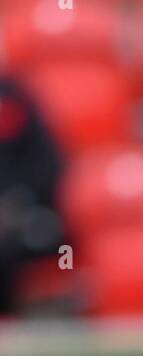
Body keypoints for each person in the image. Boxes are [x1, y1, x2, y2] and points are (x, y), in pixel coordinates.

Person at [0, 72, 65, 315]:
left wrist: (15, 205)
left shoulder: (12, 96)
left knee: (59, 249)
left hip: (22, 216)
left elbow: (47, 163)